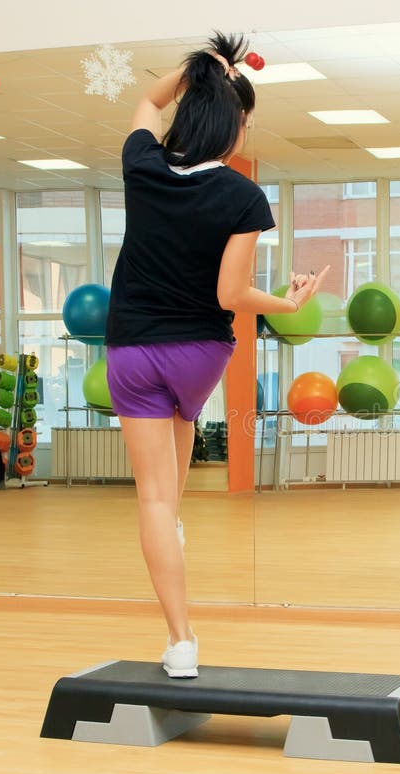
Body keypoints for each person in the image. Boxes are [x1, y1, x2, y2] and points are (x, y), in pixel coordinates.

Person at [104, 32, 327, 678]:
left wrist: (201, 70)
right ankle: (170, 525)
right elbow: (231, 293)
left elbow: (149, 99)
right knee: (177, 443)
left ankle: (181, 643)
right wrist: (288, 303)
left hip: (135, 349)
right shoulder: (242, 197)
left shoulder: (141, 165)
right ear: (232, 123)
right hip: (200, 354)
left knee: (152, 499)